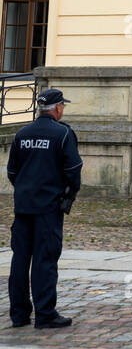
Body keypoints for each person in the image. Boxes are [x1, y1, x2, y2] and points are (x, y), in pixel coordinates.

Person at [7, 88, 82, 330]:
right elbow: (73, 172)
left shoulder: (22, 133)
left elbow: (12, 172)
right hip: (48, 208)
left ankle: (19, 314)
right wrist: (68, 194)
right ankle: (45, 313)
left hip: (23, 207)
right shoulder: (62, 134)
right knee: (45, 260)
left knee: (20, 260)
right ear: (58, 108)